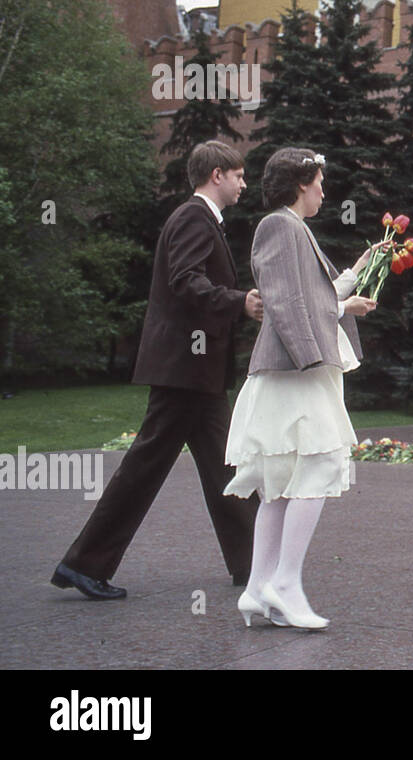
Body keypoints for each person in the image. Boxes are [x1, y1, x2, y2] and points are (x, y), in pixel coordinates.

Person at [52, 141, 264, 600]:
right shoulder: (193, 217)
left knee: (227, 463)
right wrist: (238, 302)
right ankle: (83, 564)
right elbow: (186, 281)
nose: (244, 184)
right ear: (216, 176)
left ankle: (256, 563)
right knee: (147, 466)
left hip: (194, 372)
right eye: (239, 176)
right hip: (185, 371)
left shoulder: (200, 219)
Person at [225, 148, 377, 630]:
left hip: (292, 370)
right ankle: (285, 583)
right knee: (317, 467)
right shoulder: (281, 226)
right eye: (318, 182)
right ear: (300, 183)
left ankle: (257, 587)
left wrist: (350, 282)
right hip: (296, 371)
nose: (323, 191)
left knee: (281, 484)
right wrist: (313, 354)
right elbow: (285, 299)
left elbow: (310, 296)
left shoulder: (293, 227)